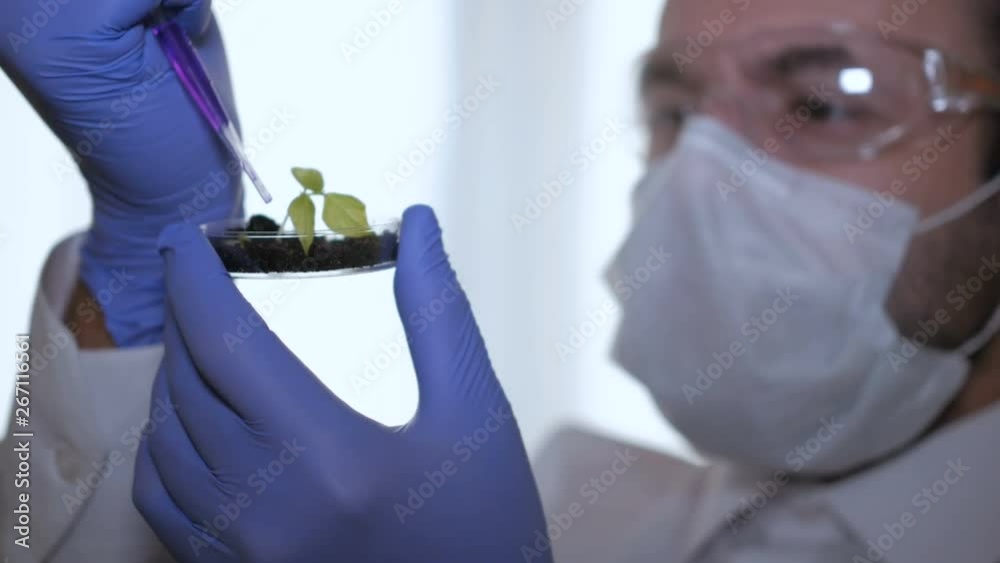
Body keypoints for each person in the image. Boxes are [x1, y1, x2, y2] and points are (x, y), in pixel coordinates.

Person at [5, 0, 1000, 562]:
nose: (703, 180)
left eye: (823, 103)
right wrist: (143, 252)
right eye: (673, 110)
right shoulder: (579, 505)